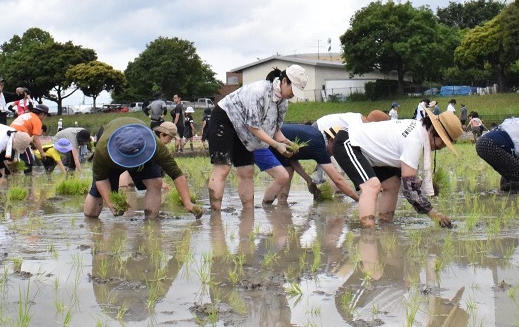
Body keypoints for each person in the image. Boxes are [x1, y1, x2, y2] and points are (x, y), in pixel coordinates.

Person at [331, 109, 461, 228]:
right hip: (348, 142)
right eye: (443, 142)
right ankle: (368, 233)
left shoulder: (418, 128)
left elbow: (404, 176)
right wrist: (434, 214)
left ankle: (384, 224)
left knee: (392, 183)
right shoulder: (414, 140)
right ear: (433, 131)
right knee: (372, 186)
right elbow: (410, 190)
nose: (441, 147)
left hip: (366, 150)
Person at [207, 65, 307, 211]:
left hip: (245, 130)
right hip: (225, 119)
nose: (293, 95)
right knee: (223, 167)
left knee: (247, 171)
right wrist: (276, 145)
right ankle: (215, 215)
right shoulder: (259, 91)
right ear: (284, 81)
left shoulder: (283, 103)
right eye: (293, 89)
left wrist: (287, 143)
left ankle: (248, 213)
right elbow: (253, 126)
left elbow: (276, 131)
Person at [84, 117, 202, 219]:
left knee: (155, 182)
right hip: (111, 153)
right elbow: (101, 179)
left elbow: (176, 174)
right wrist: (110, 202)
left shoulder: (156, 146)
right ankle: (90, 222)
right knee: (97, 193)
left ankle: (151, 221)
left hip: (142, 150)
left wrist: (187, 202)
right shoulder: (103, 149)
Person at [259, 122, 360, 204]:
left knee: (288, 170)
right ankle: (266, 206)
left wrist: (308, 179)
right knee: (282, 176)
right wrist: (358, 199)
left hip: (275, 139)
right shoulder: (319, 147)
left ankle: (281, 205)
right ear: (331, 140)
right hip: (264, 141)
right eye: (339, 147)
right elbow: (338, 180)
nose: (338, 151)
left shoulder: (317, 136)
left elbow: (291, 158)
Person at [10, 102, 51, 173]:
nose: (45, 118)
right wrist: (42, 153)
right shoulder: (37, 120)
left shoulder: (28, 115)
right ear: (42, 114)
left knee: (13, 160)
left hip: (9, 134)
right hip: (19, 136)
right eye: (46, 115)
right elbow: (36, 138)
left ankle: (12, 179)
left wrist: (32, 145)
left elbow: (30, 139)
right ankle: (28, 181)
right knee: (28, 160)